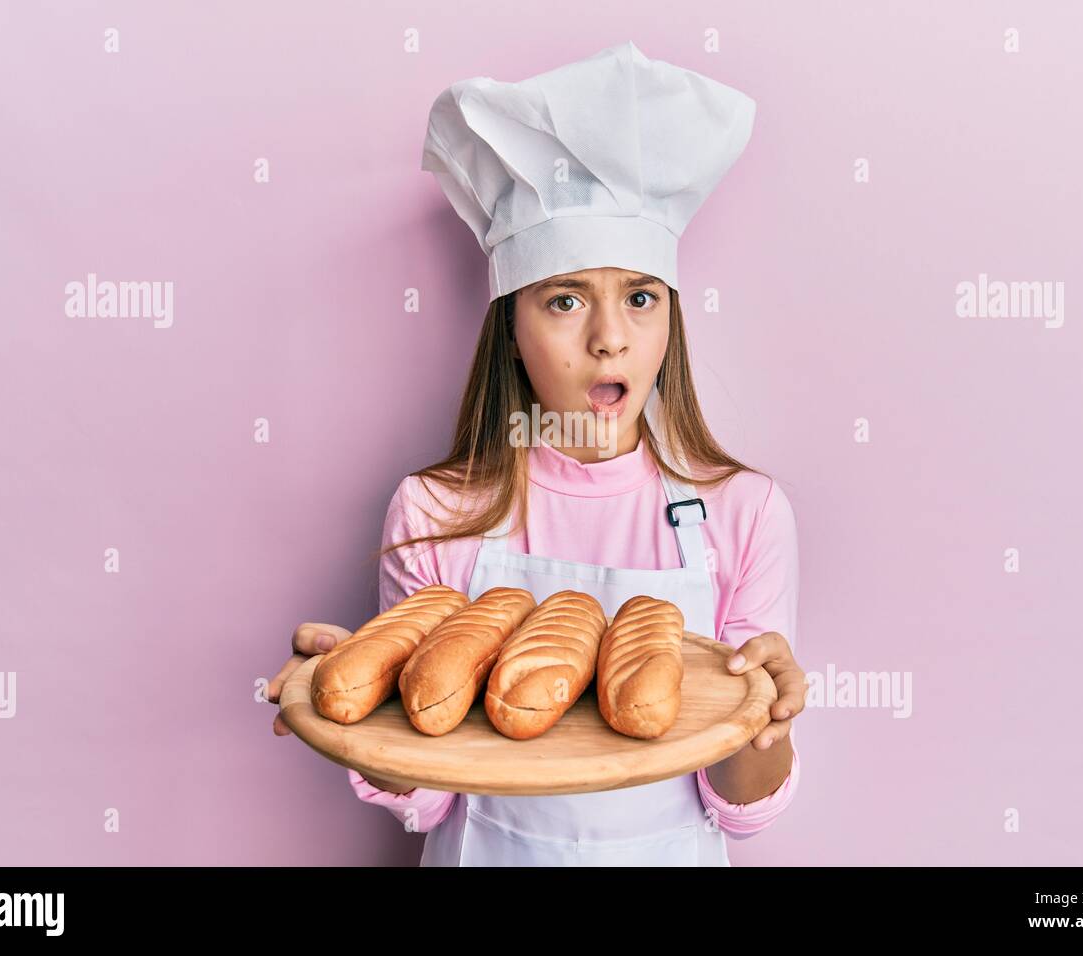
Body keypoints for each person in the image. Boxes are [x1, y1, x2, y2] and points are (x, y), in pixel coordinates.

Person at [268, 40, 807, 866]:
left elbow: (737, 808)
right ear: (512, 331)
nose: (609, 340)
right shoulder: (435, 511)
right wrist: (367, 710)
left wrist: (765, 719)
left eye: (639, 297)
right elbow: (428, 796)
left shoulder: (744, 512)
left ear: (670, 317)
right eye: (564, 300)